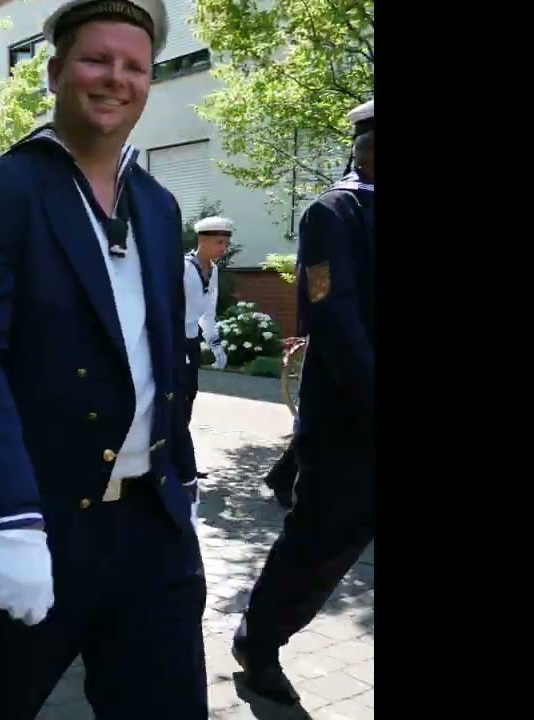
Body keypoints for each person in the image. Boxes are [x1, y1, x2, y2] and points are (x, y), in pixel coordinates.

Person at [0, 1, 207, 717]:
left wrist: (184, 469)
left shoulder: (158, 202)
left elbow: (162, 356)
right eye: (96, 59)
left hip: (153, 521)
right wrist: (10, 518)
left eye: (134, 66)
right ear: (54, 71)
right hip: (47, 520)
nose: (116, 78)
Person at [232, 98, 375, 706]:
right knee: (321, 544)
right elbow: (334, 315)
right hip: (350, 417)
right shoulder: (334, 210)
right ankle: (259, 642)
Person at [184, 215, 232, 481]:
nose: (222, 249)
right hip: (173, 341)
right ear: (202, 240)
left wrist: (215, 344)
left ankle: (182, 461)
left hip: (190, 342)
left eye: (225, 244)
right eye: (218, 242)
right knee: (174, 401)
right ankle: (175, 463)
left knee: (188, 398)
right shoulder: (183, 267)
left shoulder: (213, 270)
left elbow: (208, 313)